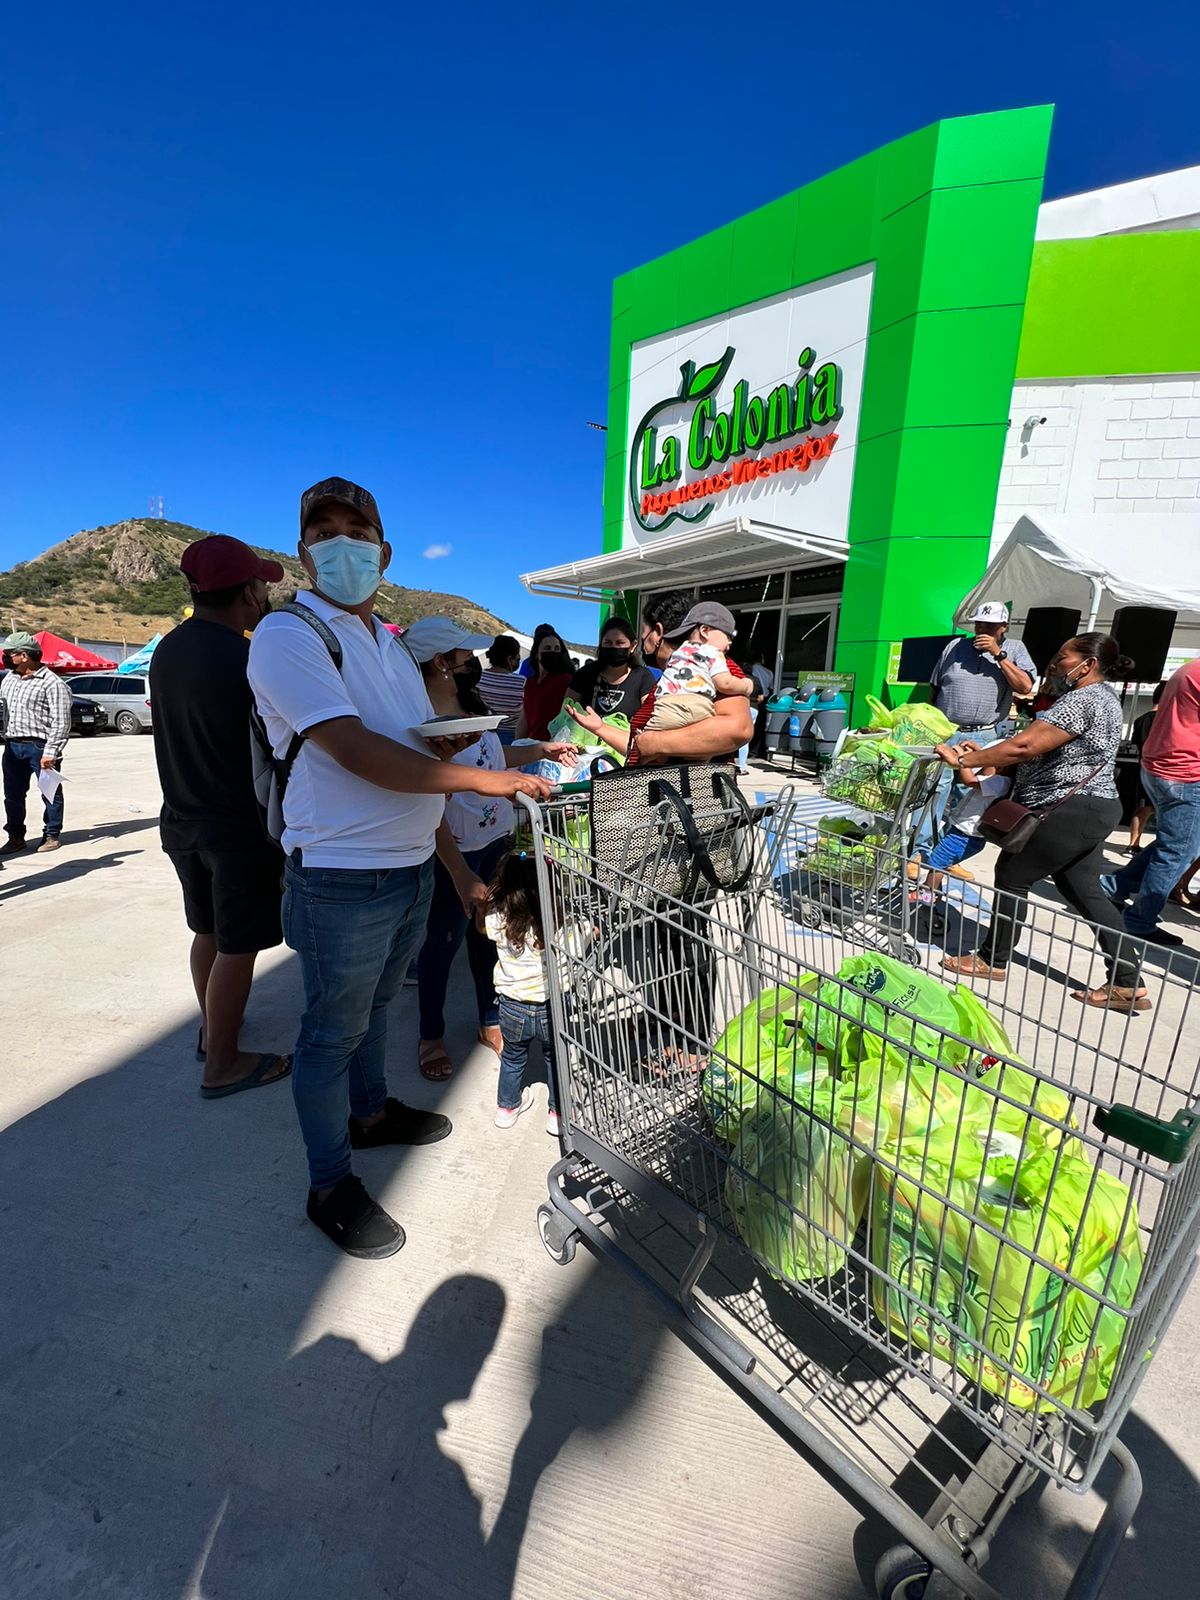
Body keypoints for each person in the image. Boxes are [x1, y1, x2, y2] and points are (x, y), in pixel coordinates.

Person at [247, 475, 551, 1260]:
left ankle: (373, 1112)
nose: (343, 542)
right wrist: (484, 777)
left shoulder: (384, 640)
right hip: (342, 875)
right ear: (304, 551)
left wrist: (444, 748)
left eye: (359, 529)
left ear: (383, 550)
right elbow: (350, 748)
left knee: (377, 1010)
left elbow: (401, 745)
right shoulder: (294, 634)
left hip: (410, 862)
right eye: (325, 529)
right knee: (328, 1035)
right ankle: (329, 1182)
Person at [403, 614, 577, 1083]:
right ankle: (430, 1034)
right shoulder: (417, 721)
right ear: (441, 662)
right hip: (451, 854)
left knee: (489, 936)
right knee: (438, 944)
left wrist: (539, 752)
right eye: (463, 654)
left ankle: (490, 1020)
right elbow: (429, 804)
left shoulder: (470, 704)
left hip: (493, 842)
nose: (472, 660)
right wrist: (459, 871)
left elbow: (494, 761)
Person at [150, 534, 293, 1096]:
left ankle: (213, 1033)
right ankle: (224, 1063)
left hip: (181, 818)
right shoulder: (247, 654)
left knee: (206, 929)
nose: (262, 594)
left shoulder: (169, 648)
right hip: (235, 825)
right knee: (240, 944)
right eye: (259, 583)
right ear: (247, 592)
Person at [941, 633, 1148, 1013]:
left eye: (1062, 656)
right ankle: (1126, 980)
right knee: (1084, 890)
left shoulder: (1083, 699)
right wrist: (984, 753)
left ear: (1087, 664)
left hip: (1068, 809)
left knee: (1012, 875)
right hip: (1091, 808)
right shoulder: (1103, 700)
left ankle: (993, 959)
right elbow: (1034, 748)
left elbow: (1025, 746)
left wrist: (962, 761)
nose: (1054, 663)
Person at [567, 589, 754, 766]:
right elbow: (641, 745)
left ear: (658, 632)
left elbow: (738, 728)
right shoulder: (670, 678)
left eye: (643, 631)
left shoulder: (716, 664)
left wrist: (656, 742)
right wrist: (600, 728)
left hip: (692, 795)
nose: (642, 639)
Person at [917, 603, 1037, 860]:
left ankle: (947, 854)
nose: (982, 629)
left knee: (970, 795)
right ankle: (921, 851)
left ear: (1004, 627)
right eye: (979, 624)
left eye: (990, 625)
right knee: (934, 789)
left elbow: (1025, 686)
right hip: (946, 731)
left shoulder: (1016, 649)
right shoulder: (955, 646)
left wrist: (998, 654)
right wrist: (929, 724)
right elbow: (935, 688)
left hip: (984, 735)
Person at [1102, 656, 1200, 950]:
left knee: (1174, 844)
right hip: (1185, 772)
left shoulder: (1190, 668)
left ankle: (1113, 886)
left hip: (1163, 766)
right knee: (1178, 851)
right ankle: (1140, 920)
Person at [484, 849, 560, 1137]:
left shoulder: (498, 920)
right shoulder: (557, 921)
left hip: (512, 1005)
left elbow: (486, 925)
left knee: (513, 1058)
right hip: (548, 1006)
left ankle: (506, 1108)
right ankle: (557, 1113)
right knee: (554, 1057)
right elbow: (577, 947)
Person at [0, 631, 73, 855]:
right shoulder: (9, 679)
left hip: (40, 748)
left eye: (9, 654)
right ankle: (15, 837)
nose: (5, 658)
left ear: (24, 655)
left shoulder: (52, 683)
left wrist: (51, 751)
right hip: (12, 747)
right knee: (12, 795)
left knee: (50, 793)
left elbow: (61, 720)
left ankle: (51, 835)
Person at [640, 602, 753, 735]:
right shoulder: (713, 654)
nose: (730, 643)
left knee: (649, 740)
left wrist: (647, 742)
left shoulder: (678, 655)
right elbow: (725, 683)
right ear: (704, 631)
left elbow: (740, 729)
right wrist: (747, 685)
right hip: (696, 709)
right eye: (728, 636)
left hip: (664, 709)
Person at [912, 752, 1010, 907]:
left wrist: (960, 760)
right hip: (965, 833)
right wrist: (978, 750)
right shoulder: (1001, 780)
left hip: (965, 836)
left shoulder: (999, 782)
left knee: (936, 862)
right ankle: (932, 892)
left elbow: (969, 780)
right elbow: (989, 768)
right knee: (941, 861)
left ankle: (927, 893)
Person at [563, 615, 655, 726]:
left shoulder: (643, 677)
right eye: (608, 643)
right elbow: (565, 712)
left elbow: (650, 718)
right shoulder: (584, 674)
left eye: (620, 643)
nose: (614, 647)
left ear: (633, 646)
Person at [1125, 682, 1166, 853]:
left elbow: (1135, 743)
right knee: (1165, 810)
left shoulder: (1140, 720)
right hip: (1164, 769)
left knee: (1142, 808)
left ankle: (1133, 843)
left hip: (1144, 767)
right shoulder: (1167, 721)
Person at [515, 631, 573, 742]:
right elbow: (524, 718)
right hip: (530, 747)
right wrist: (517, 744)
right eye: (547, 648)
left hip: (551, 749)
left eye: (556, 649)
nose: (552, 652)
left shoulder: (565, 681)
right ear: (537, 653)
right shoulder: (530, 682)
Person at [477, 634, 525, 743]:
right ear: (510, 659)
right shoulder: (522, 682)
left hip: (480, 736)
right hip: (510, 738)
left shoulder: (477, 677)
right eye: (517, 658)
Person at [741, 646, 776, 769]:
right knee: (759, 729)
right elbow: (771, 688)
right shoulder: (769, 672)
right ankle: (755, 752)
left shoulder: (748, 674)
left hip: (748, 700)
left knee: (744, 729)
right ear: (761, 659)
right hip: (760, 702)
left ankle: (743, 754)